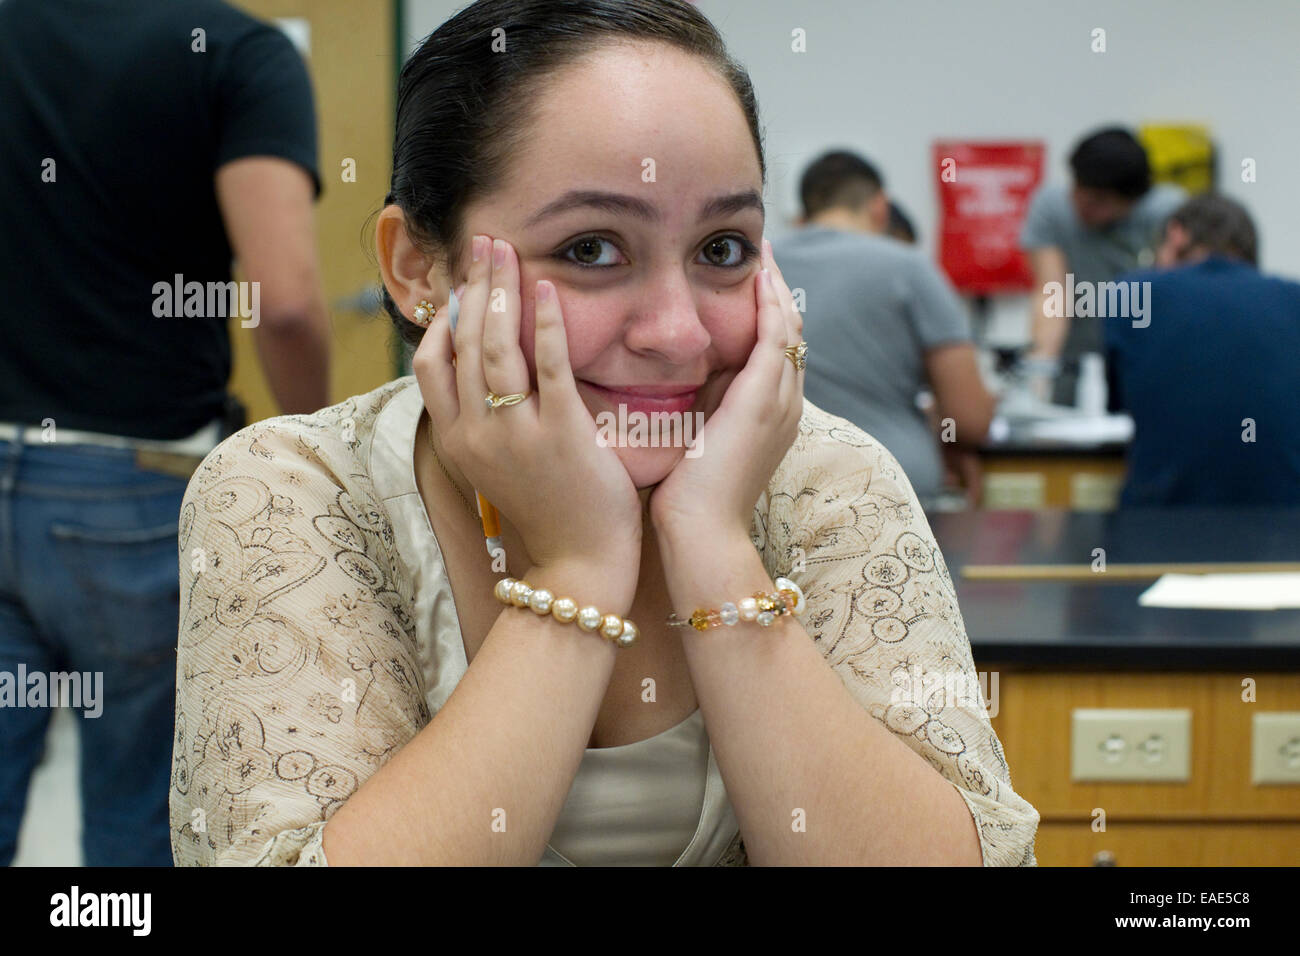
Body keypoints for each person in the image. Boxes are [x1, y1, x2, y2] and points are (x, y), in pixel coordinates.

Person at [169, 0, 1039, 867]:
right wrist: (579, 569)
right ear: (416, 267)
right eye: (590, 249)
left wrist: (712, 540)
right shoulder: (296, 487)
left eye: (724, 249)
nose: (680, 334)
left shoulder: (828, 476)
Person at [0, 0, 327, 867]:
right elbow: (286, 303)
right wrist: (312, 455)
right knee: (137, 817)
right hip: (133, 495)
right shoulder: (237, 55)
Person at [771, 151, 995, 509]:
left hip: (782, 489)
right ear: (880, 207)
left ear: (805, 211)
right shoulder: (909, 268)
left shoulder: (759, 266)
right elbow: (968, 419)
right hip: (896, 485)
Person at [1105, 194, 1300, 506]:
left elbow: (1119, 404)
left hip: (1161, 527)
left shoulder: (1132, 294)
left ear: (1176, 234)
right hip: (1285, 530)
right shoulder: (1294, 299)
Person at [1019, 127, 1185, 405]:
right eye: (1078, 190)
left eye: (1098, 201)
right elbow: (1052, 295)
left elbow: (1175, 301)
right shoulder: (1052, 207)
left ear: (1133, 201)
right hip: (1074, 365)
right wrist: (1037, 376)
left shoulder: (1165, 212)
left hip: (1146, 364)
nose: (1081, 205)